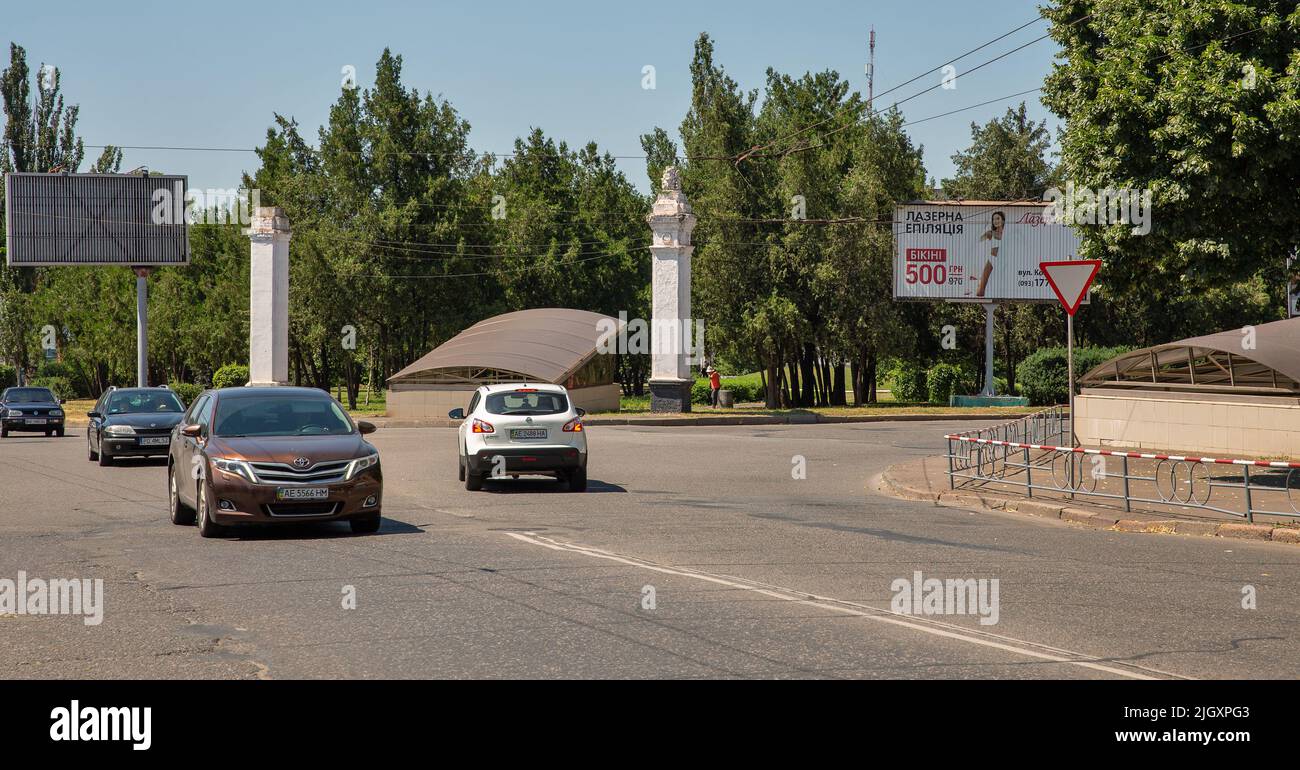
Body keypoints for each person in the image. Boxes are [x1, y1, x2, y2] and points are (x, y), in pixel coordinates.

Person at [966, 210, 1005, 298]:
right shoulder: (990, 233)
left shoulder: (1008, 233)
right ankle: (973, 294)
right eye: (993, 219)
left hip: (1004, 261)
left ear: (1003, 220)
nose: (995, 221)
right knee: (982, 285)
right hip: (993, 259)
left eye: (998, 218)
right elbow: (977, 240)